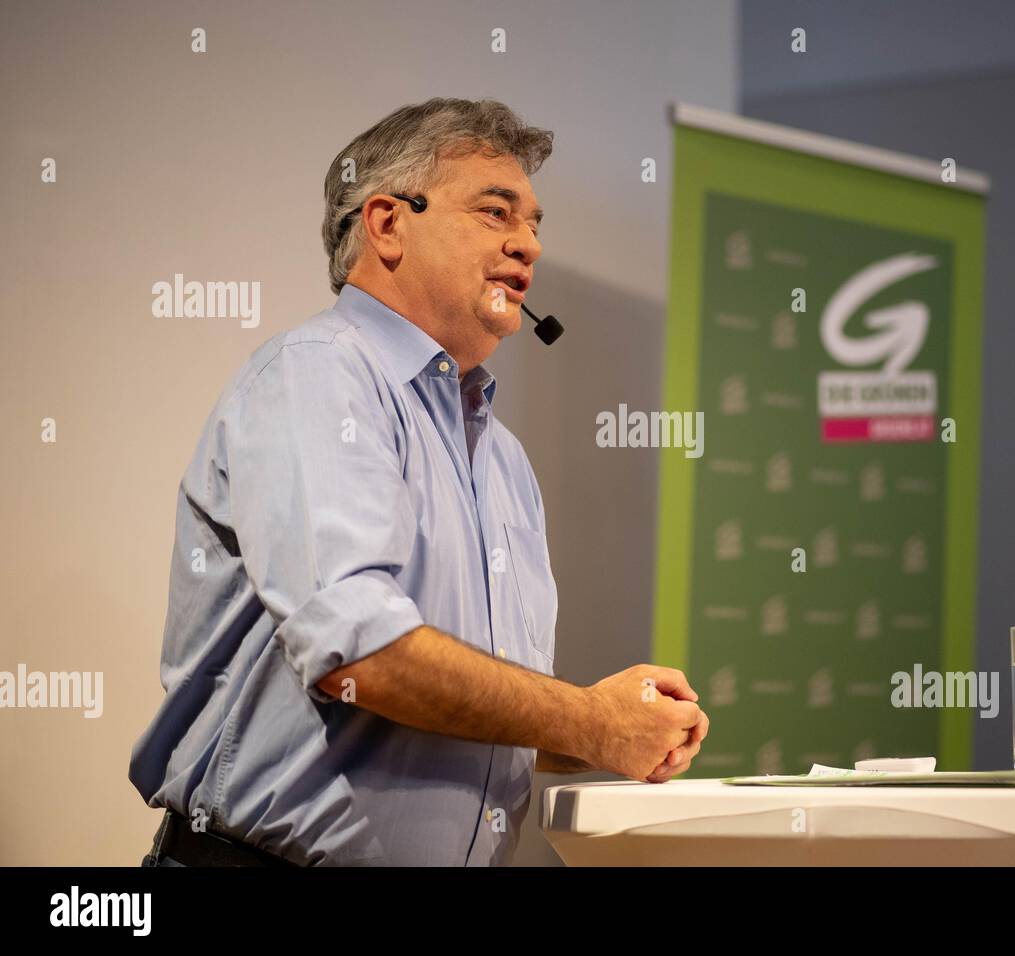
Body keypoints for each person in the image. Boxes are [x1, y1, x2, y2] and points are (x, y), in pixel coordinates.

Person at [130, 97, 708, 867]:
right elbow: (359, 656)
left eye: (535, 223)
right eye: (496, 212)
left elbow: (478, 710)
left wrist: (616, 727)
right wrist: (589, 722)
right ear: (387, 223)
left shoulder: (502, 458)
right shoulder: (320, 377)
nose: (528, 244)